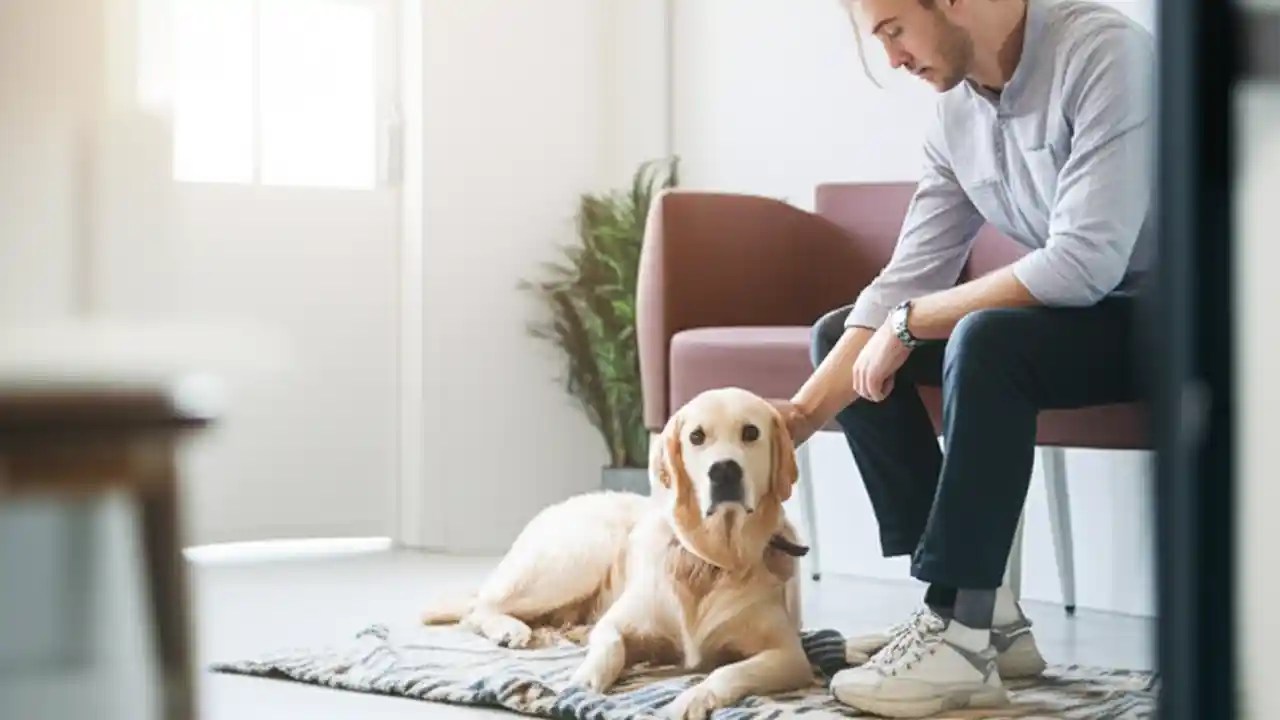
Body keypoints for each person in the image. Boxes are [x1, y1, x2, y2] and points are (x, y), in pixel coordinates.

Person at [771, 0, 1155, 716]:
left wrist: (913, 321)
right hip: (1076, 318)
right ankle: (983, 619)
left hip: (1179, 319)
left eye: (892, 31)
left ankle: (958, 630)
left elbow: (1083, 265)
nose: (891, 59)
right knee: (839, 339)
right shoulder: (955, 116)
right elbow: (907, 276)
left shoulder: (1104, 55)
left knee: (981, 338)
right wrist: (793, 419)